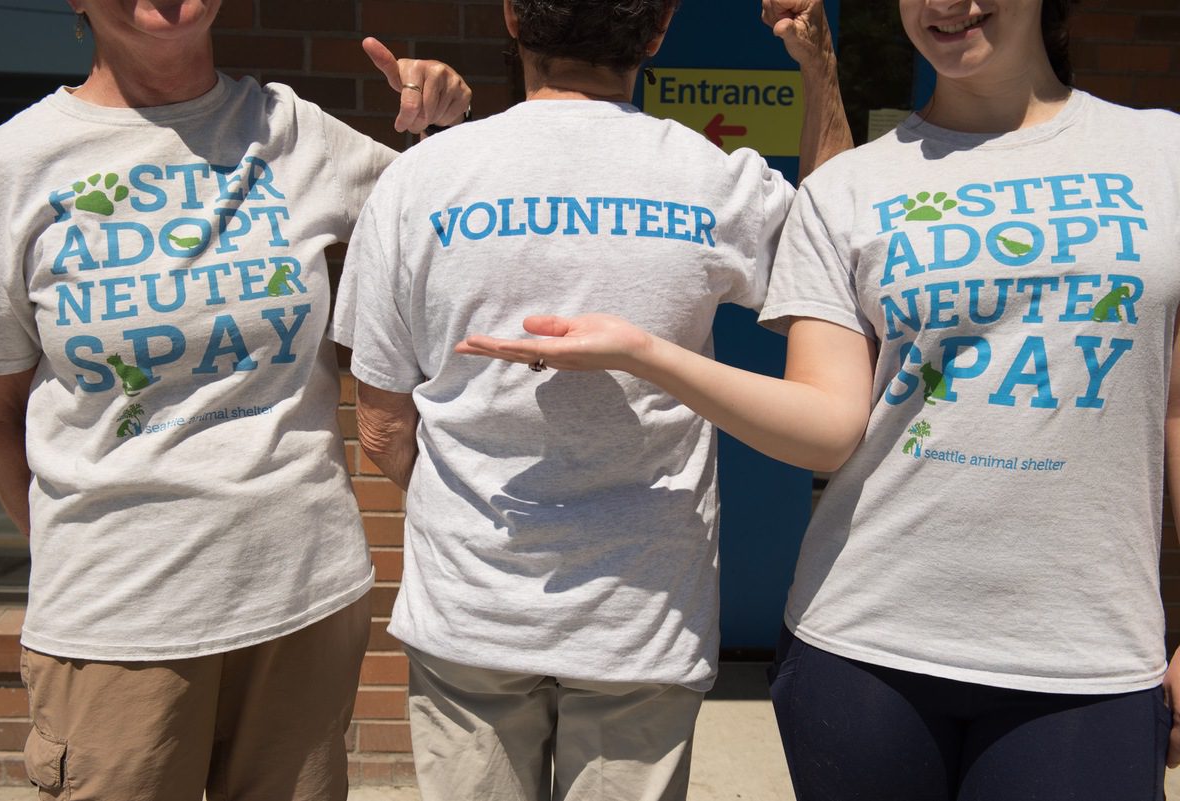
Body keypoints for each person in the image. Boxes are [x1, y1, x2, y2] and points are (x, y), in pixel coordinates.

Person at [456, 0, 1180, 799]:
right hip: (865, 646)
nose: (948, 3)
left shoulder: (1161, 152)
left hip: (1087, 655)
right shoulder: (850, 187)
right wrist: (644, 353)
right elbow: (830, 427)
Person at [332, 1, 850, 798]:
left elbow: (379, 425)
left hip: (471, 608)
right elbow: (831, 262)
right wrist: (820, 74)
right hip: (642, 617)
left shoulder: (419, 180)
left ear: (512, 18)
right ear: (657, 32)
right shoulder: (713, 176)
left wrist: (463, 505)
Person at [0, 1, 472, 799]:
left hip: (301, 600)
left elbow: (455, 221)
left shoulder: (295, 130)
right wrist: (77, 553)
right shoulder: (6, 168)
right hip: (114, 624)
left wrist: (441, 122)